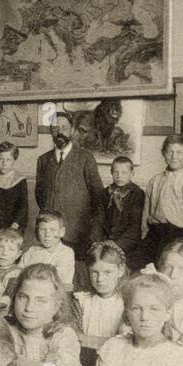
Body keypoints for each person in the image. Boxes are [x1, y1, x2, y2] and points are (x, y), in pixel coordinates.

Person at [35, 112, 106, 287]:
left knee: (76, 280)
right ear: (51, 132)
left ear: (73, 130)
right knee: (49, 278)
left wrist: (94, 231)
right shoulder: (43, 160)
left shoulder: (85, 158)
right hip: (50, 234)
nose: (60, 132)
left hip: (78, 234)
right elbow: (40, 194)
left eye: (64, 128)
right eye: (55, 128)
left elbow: (99, 197)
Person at [7, 263, 86, 366]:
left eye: (40, 301)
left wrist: (9, 359)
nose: (29, 308)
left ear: (56, 307)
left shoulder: (63, 335)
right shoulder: (7, 329)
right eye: (23, 297)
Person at [139, 135, 183, 270]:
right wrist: (144, 236)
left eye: (179, 152)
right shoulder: (155, 181)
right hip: (155, 235)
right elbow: (146, 213)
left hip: (180, 236)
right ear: (164, 154)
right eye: (170, 152)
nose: (174, 156)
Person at [73, 241, 127, 339]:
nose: (100, 279)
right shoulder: (82, 301)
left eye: (107, 272)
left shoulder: (126, 303)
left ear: (121, 271)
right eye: (94, 272)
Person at [101, 156, 144, 261]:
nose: (119, 176)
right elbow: (98, 220)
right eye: (116, 172)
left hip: (127, 245)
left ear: (132, 174)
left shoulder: (137, 194)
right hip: (104, 243)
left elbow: (135, 227)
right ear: (111, 172)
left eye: (124, 172)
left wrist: (117, 245)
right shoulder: (105, 193)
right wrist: (100, 242)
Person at [20, 210, 75, 289]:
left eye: (53, 230)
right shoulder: (32, 251)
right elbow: (19, 273)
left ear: (62, 232)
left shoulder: (66, 253)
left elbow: (60, 281)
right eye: (42, 229)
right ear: (37, 231)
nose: (47, 234)